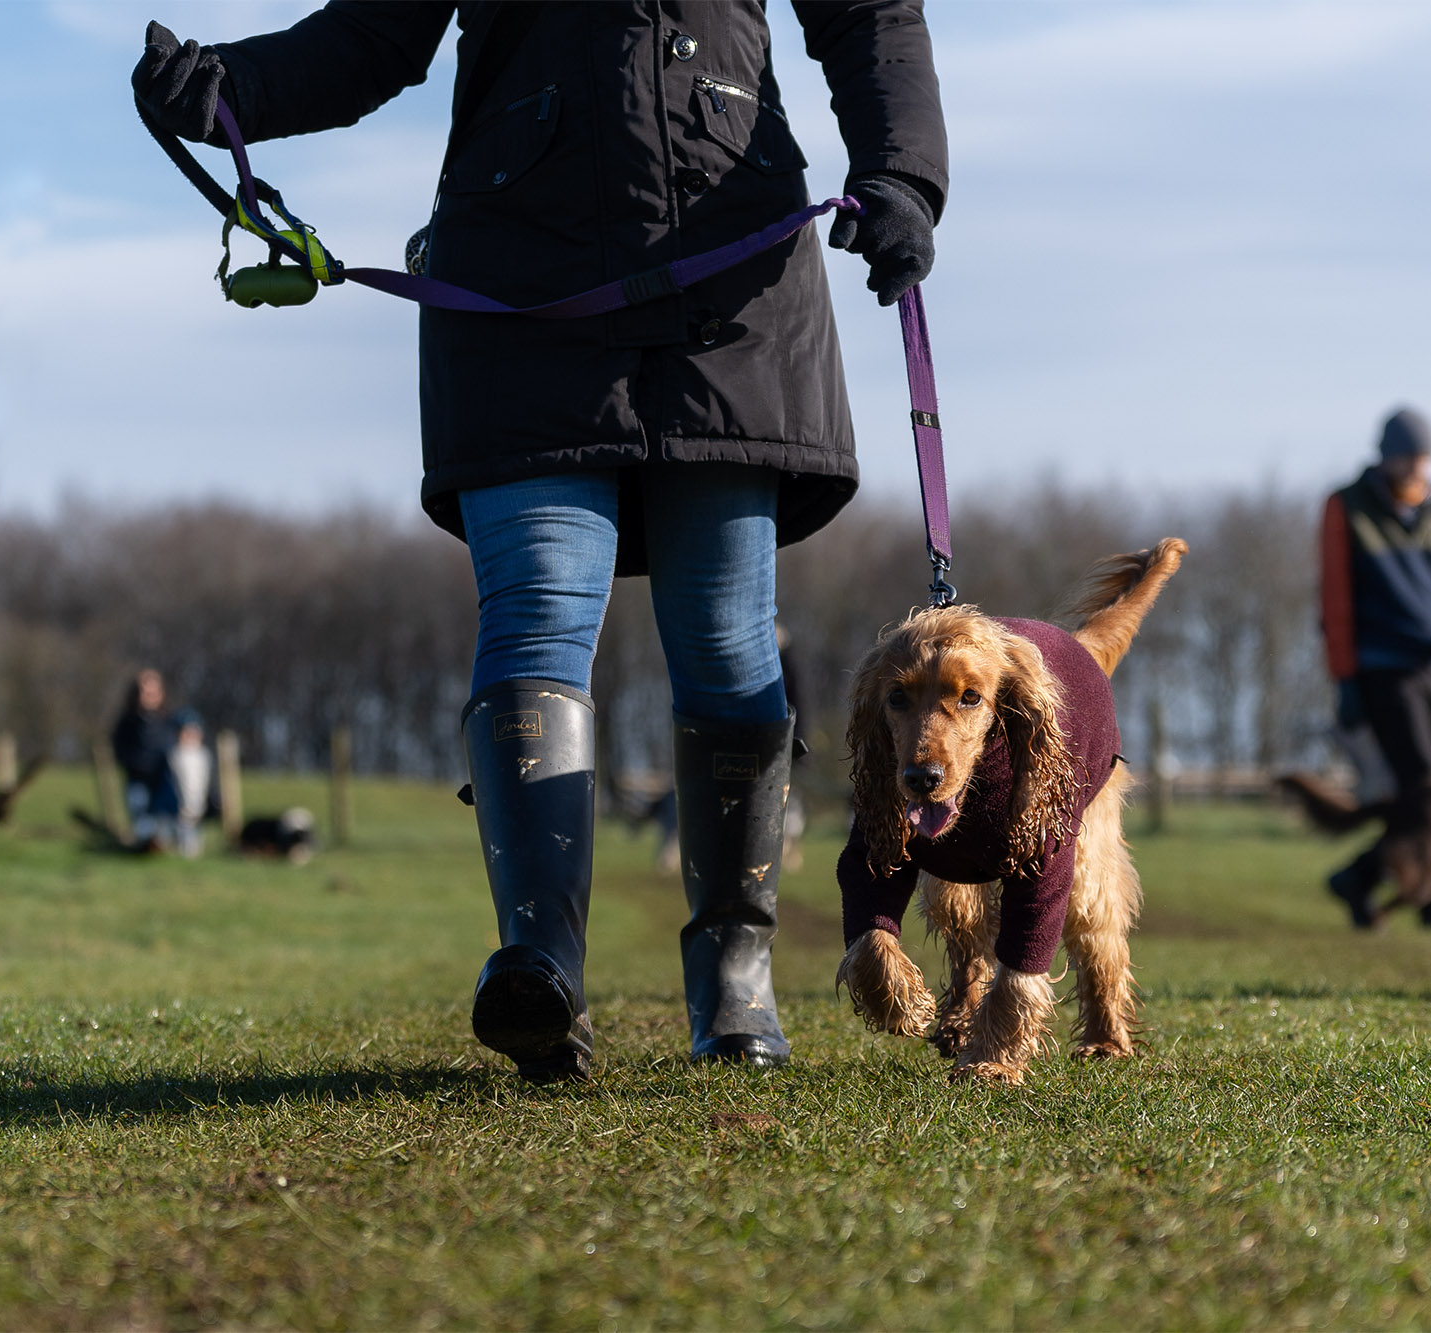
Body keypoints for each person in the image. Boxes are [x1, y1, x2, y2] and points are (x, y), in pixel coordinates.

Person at [133, 3, 947, 1083]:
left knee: (723, 636)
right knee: (535, 605)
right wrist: (223, 91)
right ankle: (540, 970)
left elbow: (869, 17)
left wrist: (901, 176)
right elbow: (374, 39)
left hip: (727, 278)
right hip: (517, 285)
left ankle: (734, 975)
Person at [1317, 407, 1431, 927]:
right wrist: (1345, 675)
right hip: (1383, 669)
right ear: (1386, 458)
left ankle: (1360, 879)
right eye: (1409, 458)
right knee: (1427, 787)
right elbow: (1335, 598)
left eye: (1425, 459)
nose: (1419, 471)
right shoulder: (1346, 507)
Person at [111, 669, 178, 849]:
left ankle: (162, 850)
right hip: (137, 781)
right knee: (143, 823)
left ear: (161, 693)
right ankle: (144, 849)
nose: (148, 695)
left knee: (165, 823)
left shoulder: (169, 721)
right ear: (136, 693)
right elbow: (119, 749)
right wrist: (137, 764)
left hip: (163, 782)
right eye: (144, 691)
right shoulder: (127, 721)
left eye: (152, 691)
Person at [167, 713, 213, 857]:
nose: (190, 736)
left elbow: (208, 781)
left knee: (196, 833)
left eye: (194, 732)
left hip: (199, 801)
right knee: (182, 831)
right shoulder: (175, 755)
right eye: (186, 732)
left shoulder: (204, 755)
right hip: (179, 803)